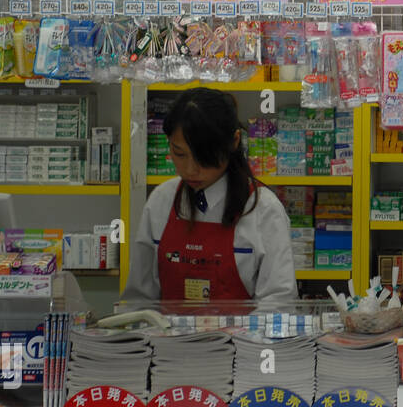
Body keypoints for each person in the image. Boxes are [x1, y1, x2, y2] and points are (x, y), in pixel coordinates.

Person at [123, 88, 297, 306]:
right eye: (179, 153)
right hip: (167, 339)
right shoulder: (161, 200)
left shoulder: (264, 209)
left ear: (234, 142)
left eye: (204, 157)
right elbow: (139, 299)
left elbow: (278, 304)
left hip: (241, 339)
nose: (190, 169)